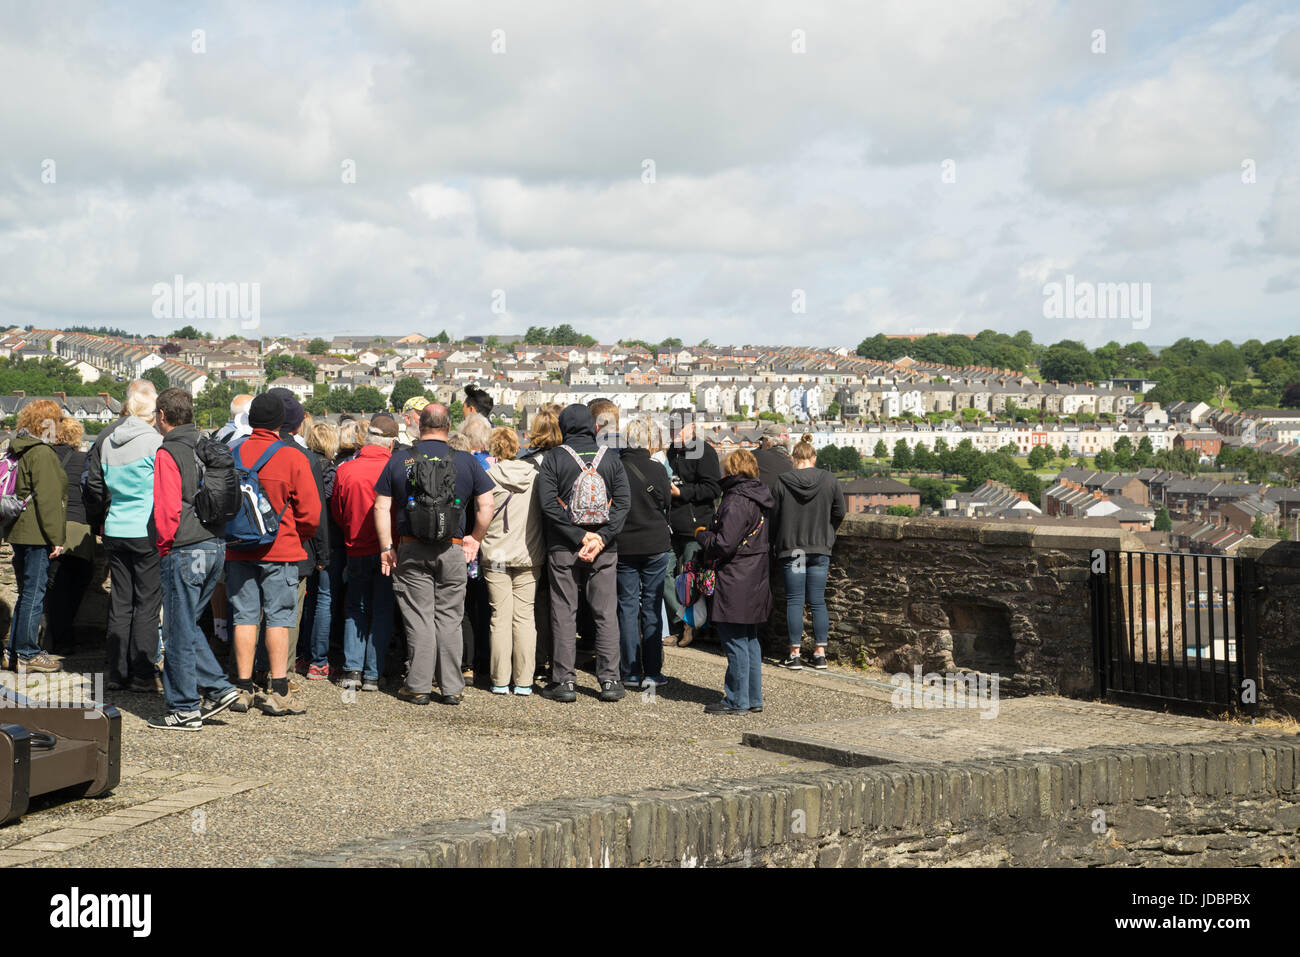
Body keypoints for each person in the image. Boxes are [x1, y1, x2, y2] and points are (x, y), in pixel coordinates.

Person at [373, 403, 494, 706]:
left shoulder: (401, 460)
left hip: (411, 546)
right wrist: (474, 539)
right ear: (448, 425)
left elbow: (381, 506)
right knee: (450, 618)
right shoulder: (466, 461)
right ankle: (452, 687)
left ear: (419, 425)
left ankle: (418, 685)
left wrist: (387, 546)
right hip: (452, 546)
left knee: (419, 616)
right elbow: (486, 506)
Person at [147, 388, 241, 730]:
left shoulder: (168, 451)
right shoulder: (206, 444)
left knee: (175, 629)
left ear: (161, 416)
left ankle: (185, 706)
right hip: (215, 544)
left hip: (184, 547)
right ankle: (218, 687)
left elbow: (167, 508)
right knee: (185, 624)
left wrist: (163, 545)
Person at [226, 392, 321, 716]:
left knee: (243, 616)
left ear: (251, 420)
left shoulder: (232, 451)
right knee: (279, 618)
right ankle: (278, 689)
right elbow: (310, 513)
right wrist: (297, 537)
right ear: (281, 422)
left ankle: (242, 687)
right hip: (280, 548)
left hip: (238, 548)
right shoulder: (292, 456)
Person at [535, 404, 631, 704]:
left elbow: (548, 504)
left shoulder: (553, 458)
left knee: (564, 611)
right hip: (604, 549)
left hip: (563, 546)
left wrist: (578, 535)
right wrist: (600, 537)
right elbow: (624, 503)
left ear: (563, 428)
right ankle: (610, 680)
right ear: (595, 428)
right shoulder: (612, 459)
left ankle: (564, 681)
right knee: (605, 613)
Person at [695, 448, 774, 715]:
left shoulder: (736, 499)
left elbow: (724, 544)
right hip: (754, 576)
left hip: (735, 578)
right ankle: (752, 698)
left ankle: (736, 700)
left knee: (735, 641)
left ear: (732, 470)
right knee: (749, 640)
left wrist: (702, 536)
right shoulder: (757, 495)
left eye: (724, 468)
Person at [102, 388, 164, 693]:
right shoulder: (155, 442)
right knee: (147, 604)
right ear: (152, 414)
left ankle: (116, 672)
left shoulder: (107, 441)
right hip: (144, 526)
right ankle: (142, 673)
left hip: (114, 526)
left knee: (120, 602)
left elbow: (101, 485)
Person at [331, 414, 399, 693]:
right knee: (382, 609)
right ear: (391, 444)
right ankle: (373, 673)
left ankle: (352, 669)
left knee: (355, 608)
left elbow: (337, 511)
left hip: (356, 547)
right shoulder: (396, 469)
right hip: (389, 549)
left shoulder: (346, 470)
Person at [771, 434, 846, 671]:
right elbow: (840, 512)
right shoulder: (830, 479)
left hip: (794, 551)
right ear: (814, 457)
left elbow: (773, 517)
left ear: (794, 458)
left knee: (795, 600)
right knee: (817, 601)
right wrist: (828, 532)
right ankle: (820, 654)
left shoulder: (782, 481)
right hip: (820, 548)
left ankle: (794, 654)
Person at [4, 400, 67, 673]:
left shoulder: (18, 448)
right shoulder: (41, 452)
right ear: (48, 423)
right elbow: (49, 500)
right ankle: (28, 652)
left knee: (26, 593)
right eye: (58, 421)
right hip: (37, 532)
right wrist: (57, 538)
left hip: (19, 529)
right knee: (34, 592)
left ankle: (14, 652)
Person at [481, 426, 545, 695]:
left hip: (496, 554)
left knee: (500, 616)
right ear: (517, 447)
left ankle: (499, 679)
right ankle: (524, 681)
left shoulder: (486, 477)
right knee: (524, 617)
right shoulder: (536, 476)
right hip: (529, 554)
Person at [615, 417, 672, 689]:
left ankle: (629, 671)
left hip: (623, 545)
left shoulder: (613, 468)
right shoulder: (658, 469)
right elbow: (667, 502)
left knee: (626, 608)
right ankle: (652, 671)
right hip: (655, 544)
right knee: (651, 607)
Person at [663, 408, 722, 648]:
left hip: (695, 526)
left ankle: (689, 625)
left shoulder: (705, 451)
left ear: (691, 427)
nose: (674, 432)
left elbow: (713, 489)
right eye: (672, 427)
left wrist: (682, 492)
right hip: (669, 526)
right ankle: (683, 620)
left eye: (679, 427)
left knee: (689, 579)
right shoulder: (670, 452)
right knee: (662, 574)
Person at [44, 417, 93, 654]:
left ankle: (57, 636)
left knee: (57, 584)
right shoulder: (84, 459)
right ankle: (63, 639)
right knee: (76, 581)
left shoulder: (46, 457)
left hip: (50, 525)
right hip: (79, 525)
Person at [520, 407, 562, 681]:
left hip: (532, 538)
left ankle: (536, 660)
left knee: (535, 605)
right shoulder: (567, 462)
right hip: (562, 539)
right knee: (561, 604)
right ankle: (557, 661)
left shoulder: (524, 464)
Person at [297, 420, 339, 680]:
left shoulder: (303, 465)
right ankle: (319, 660)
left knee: (306, 599)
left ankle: (301, 654)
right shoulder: (331, 471)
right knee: (323, 598)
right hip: (327, 541)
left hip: (303, 541)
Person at [753, 422, 794, 490]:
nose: (761, 445)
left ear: (768, 442)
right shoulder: (792, 462)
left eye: (762, 441)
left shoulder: (755, 456)